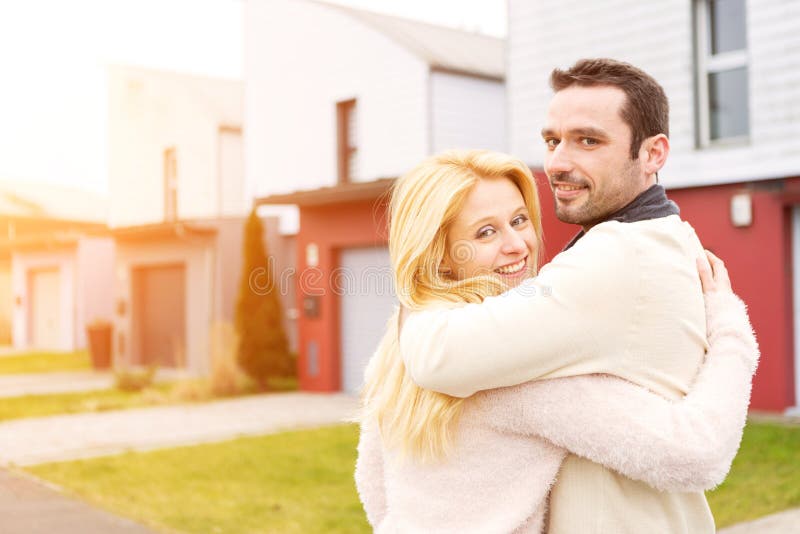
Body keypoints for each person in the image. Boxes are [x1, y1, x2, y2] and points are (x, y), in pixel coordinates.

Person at [396, 59, 747, 532]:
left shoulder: (617, 256)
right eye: (551, 140)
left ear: (653, 154)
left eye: (589, 140)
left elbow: (437, 357)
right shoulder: (662, 238)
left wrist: (417, 284)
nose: (558, 162)